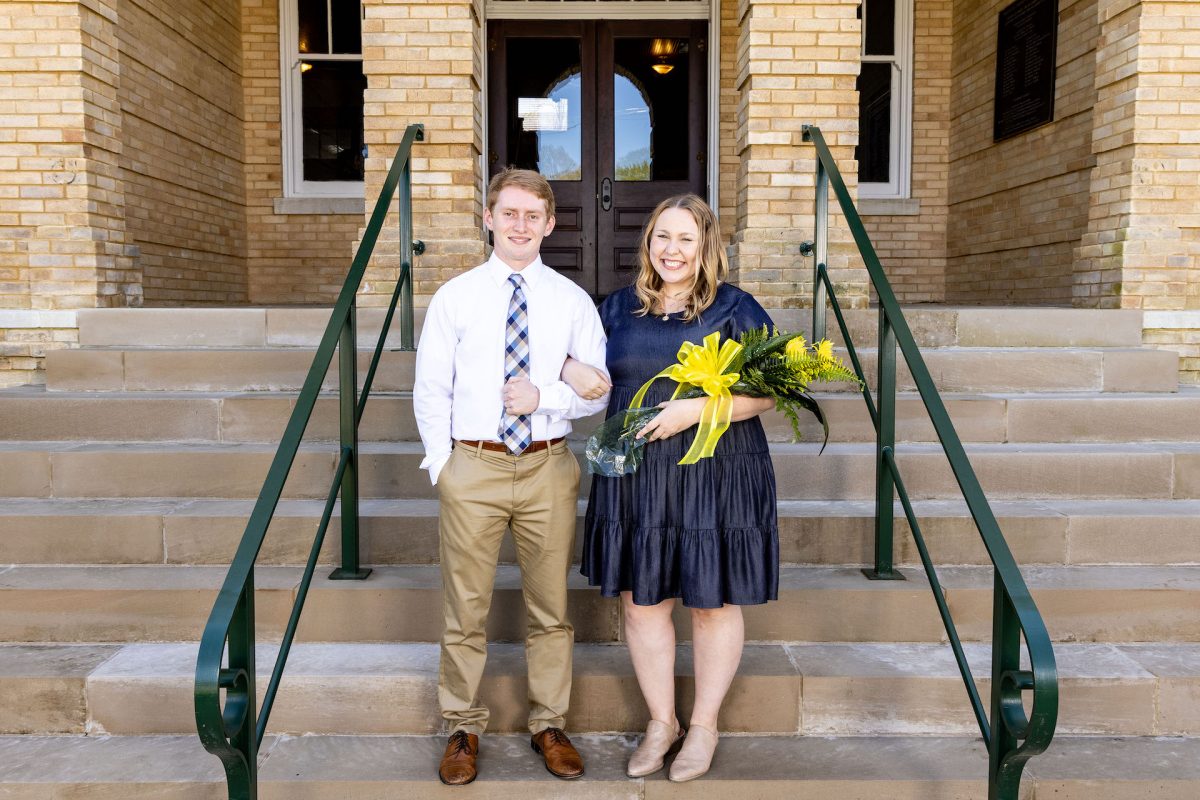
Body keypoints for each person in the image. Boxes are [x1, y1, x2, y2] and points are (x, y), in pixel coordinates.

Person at [563, 194, 778, 782]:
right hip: (639, 476)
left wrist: (695, 412)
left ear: (706, 245)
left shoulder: (736, 309)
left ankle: (703, 725)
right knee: (642, 602)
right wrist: (565, 369)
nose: (672, 250)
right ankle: (662, 722)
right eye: (662, 236)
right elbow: (571, 359)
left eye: (685, 238)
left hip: (717, 469)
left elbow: (768, 394)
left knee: (711, 602)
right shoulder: (615, 310)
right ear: (648, 242)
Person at [413, 168, 611, 786]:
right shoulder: (456, 296)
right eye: (510, 213)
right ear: (489, 218)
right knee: (464, 607)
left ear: (550, 224)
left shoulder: (571, 301)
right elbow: (431, 389)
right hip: (473, 465)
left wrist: (545, 395)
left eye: (534, 216)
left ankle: (548, 722)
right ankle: (462, 726)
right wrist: (443, 464)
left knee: (550, 608)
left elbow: (597, 391)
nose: (521, 225)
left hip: (548, 466)